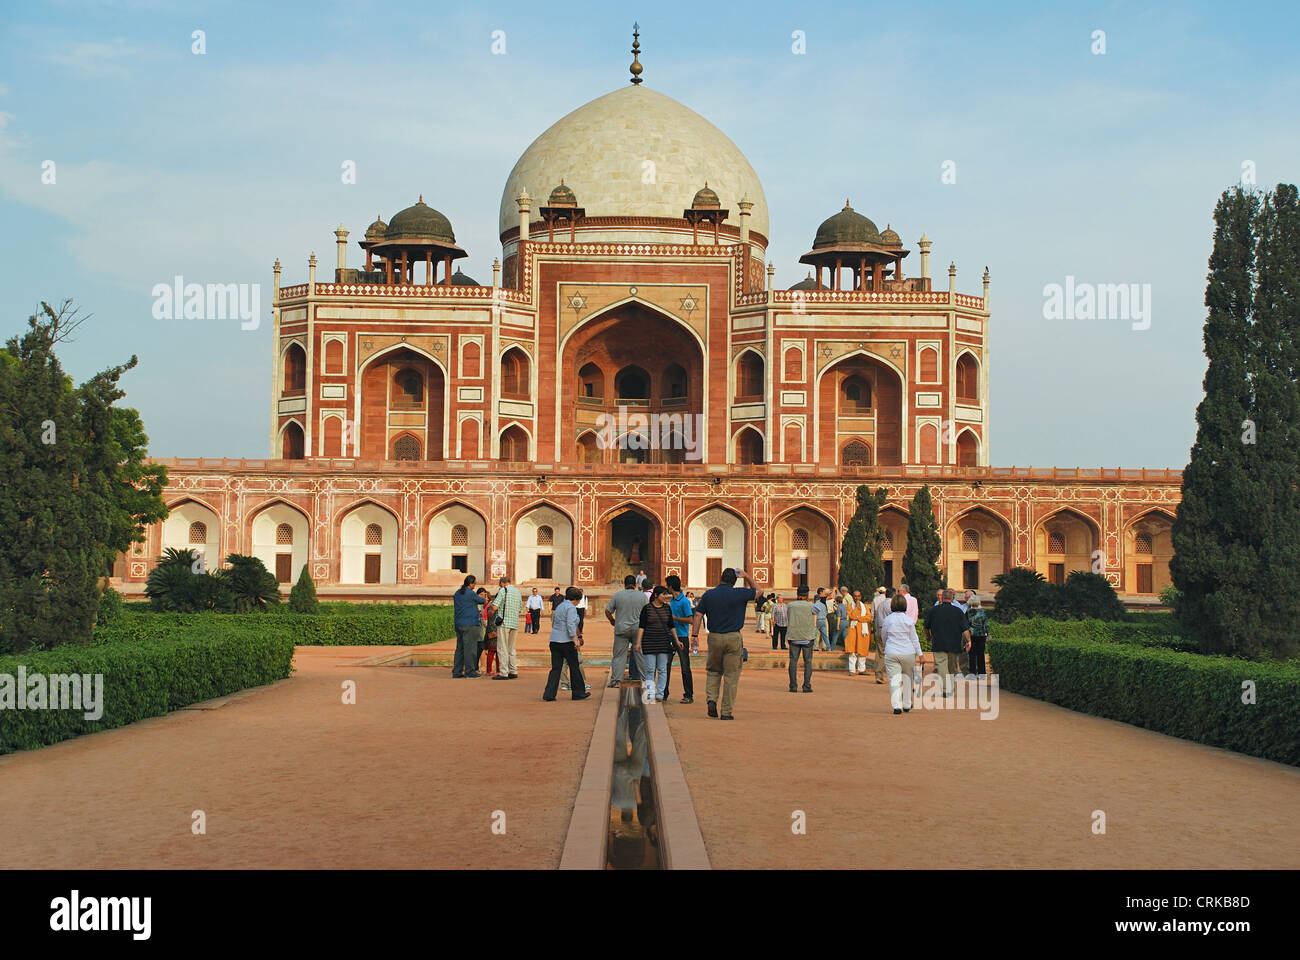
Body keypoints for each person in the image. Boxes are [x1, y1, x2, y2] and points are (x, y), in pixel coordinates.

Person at [690, 567, 757, 720]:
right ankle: (726, 712)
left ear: (720, 578)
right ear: (734, 581)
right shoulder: (740, 593)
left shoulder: (709, 594)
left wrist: (694, 635)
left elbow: (699, 614)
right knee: (731, 676)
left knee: (713, 671)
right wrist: (746, 576)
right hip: (733, 637)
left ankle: (711, 699)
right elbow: (759, 591)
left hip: (714, 636)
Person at [543, 587, 592, 702]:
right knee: (574, 666)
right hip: (566, 641)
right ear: (575, 599)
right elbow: (571, 625)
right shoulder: (570, 608)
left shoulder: (560, 606)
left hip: (554, 640)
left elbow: (554, 622)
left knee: (556, 668)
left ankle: (549, 694)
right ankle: (578, 692)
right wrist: (576, 640)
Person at [923, 588, 972, 698]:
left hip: (938, 643)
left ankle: (946, 689)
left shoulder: (933, 610)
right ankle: (950, 688)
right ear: (952, 598)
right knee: (952, 668)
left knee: (941, 667)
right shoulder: (958, 611)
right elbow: (965, 629)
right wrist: (969, 641)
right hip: (954, 644)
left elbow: (926, 626)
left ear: (942, 597)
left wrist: (928, 637)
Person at [882, 593, 923, 714]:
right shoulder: (909, 620)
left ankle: (897, 706)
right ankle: (907, 704)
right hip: (908, 652)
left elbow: (884, 636)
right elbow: (914, 639)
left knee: (894, 680)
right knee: (907, 679)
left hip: (891, 652)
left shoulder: (887, 620)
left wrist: (887, 646)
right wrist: (920, 654)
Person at [606, 575, 648, 687]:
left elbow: (607, 610)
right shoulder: (641, 596)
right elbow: (647, 612)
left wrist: (612, 620)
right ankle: (645, 680)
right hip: (637, 629)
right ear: (635, 584)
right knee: (640, 655)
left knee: (619, 656)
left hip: (621, 628)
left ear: (624, 584)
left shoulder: (618, 595)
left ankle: (616, 681)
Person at [638, 586, 676, 702]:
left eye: (666, 594)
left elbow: (671, 626)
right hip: (649, 642)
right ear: (656, 595)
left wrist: (677, 640)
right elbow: (642, 627)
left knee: (662, 669)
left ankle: (660, 693)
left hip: (663, 643)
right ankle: (650, 693)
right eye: (663, 594)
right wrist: (638, 642)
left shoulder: (667, 609)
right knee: (649, 669)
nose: (665, 597)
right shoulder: (647, 609)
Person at [663, 574, 695, 704]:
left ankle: (688, 694)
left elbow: (690, 620)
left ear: (671, 586)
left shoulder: (684, 601)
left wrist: (674, 618)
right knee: (665, 666)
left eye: (667, 585)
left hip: (682, 636)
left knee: (685, 666)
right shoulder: (673, 601)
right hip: (671, 635)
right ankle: (664, 692)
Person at [452, 575, 486, 678]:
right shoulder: (471, 594)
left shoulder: (457, 593)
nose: (475, 586)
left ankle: (457, 672)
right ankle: (470, 672)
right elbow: (482, 601)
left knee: (460, 649)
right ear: (470, 584)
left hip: (459, 623)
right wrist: (484, 596)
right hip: (470, 624)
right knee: (470, 649)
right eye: (474, 584)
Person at [785, 585, 817, 692]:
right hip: (807, 637)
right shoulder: (811, 606)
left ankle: (793, 686)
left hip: (794, 636)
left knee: (793, 662)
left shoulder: (790, 605)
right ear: (807, 594)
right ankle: (806, 686)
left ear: (797, 594)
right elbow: (817, 612)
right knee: (808, 662)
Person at [492, 575, 523, 679]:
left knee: (502, 648)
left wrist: (492, 610)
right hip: (514, 623)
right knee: (511, 648)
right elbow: (519, 609)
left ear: (502, 583)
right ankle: (513, 671)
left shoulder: (503, 591)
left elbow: (495, 606)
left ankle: (503, 672)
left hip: (504, 623)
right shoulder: (517, 592)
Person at [844, 589, 873, 676]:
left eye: (858, 596)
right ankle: (852, 670)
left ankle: (862, 669)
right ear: (853, 597)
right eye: (855, 596)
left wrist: (858, 618)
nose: (857, 598)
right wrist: (857, 609)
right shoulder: (850, 606)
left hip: (863, 632)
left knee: (862, 651)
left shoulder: (865, 606)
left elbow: (868, 618)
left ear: (860, 597)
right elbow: (852, 616)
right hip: (853, 631)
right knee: (852, 651)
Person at [871, 587, 894, 683]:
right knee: (889, 653)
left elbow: (875, 618)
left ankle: (878, 674)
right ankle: (883, 673)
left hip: (879, 629)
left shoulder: (880, 605)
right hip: (887, 630)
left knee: (880, 652)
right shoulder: (890, 605)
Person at [966, 596, 990, 679]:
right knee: (981, 655)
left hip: (971, 635)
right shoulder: (983, 612)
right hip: (981, 635)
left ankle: (972, 673)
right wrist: (988, 633)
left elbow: (966, 625)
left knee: (972, 655)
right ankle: (982, 674)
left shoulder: (968, 612)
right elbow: (986, 625)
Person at [479, 587, 499, 677]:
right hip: (493, 630)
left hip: (494, 630)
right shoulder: (492, 607)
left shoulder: (492, 606)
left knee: (496, 651)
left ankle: (494, 670)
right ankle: (491, 670)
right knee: (493, 651)